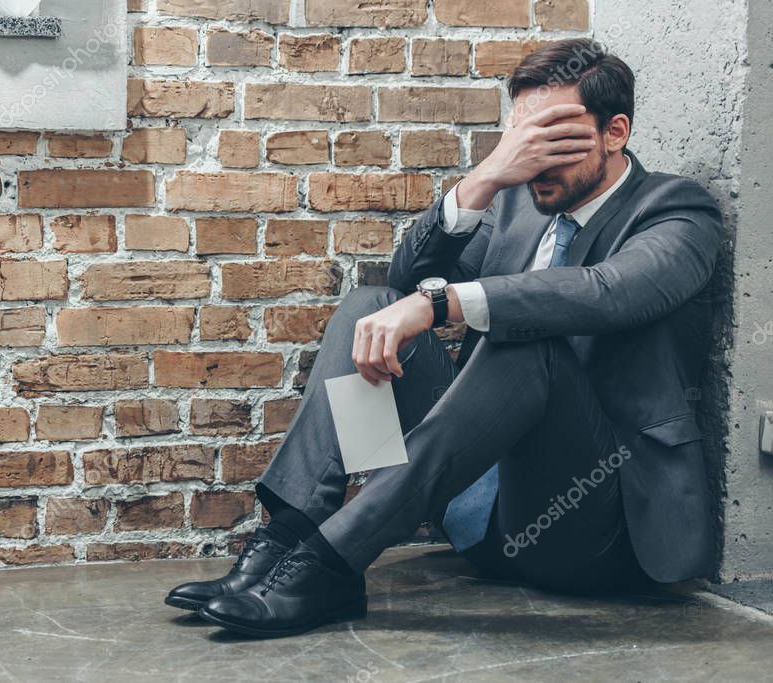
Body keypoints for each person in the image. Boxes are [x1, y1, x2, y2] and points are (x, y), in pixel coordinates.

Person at [165, 38, 723, 639]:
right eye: (522, 138)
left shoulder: (677, 210)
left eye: (553, 138)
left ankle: (332, 562)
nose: (534, 159)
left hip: (595, 528)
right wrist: (484, 179)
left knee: (530, 340)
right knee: (371, 306)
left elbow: (608, 293)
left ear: (614, 132)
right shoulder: (518, 206)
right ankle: (289, 542)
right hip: (480, 516)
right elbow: (408, 282)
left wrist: (441, 303)